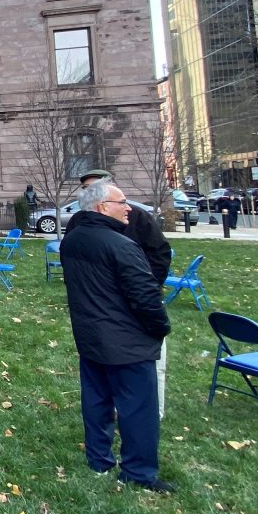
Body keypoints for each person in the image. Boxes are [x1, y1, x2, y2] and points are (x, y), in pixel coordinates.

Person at [60, 178, 173, 493]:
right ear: (101, 207)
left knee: (96, 400)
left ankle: (99, 460)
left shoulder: (72, 240)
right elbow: (146, 297)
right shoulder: (121, 245)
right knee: (138, 410)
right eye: (122, 202)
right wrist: (160, 328)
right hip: (128, 343)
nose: (129, 209)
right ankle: (138, 472)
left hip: (90, 336)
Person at [78, 170, 170, 286]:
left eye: (96, 187)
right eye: (86, 188)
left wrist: (150, 283)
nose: (90, 192)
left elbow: (159, 252)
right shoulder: (78, 220)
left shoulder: (138, 216)